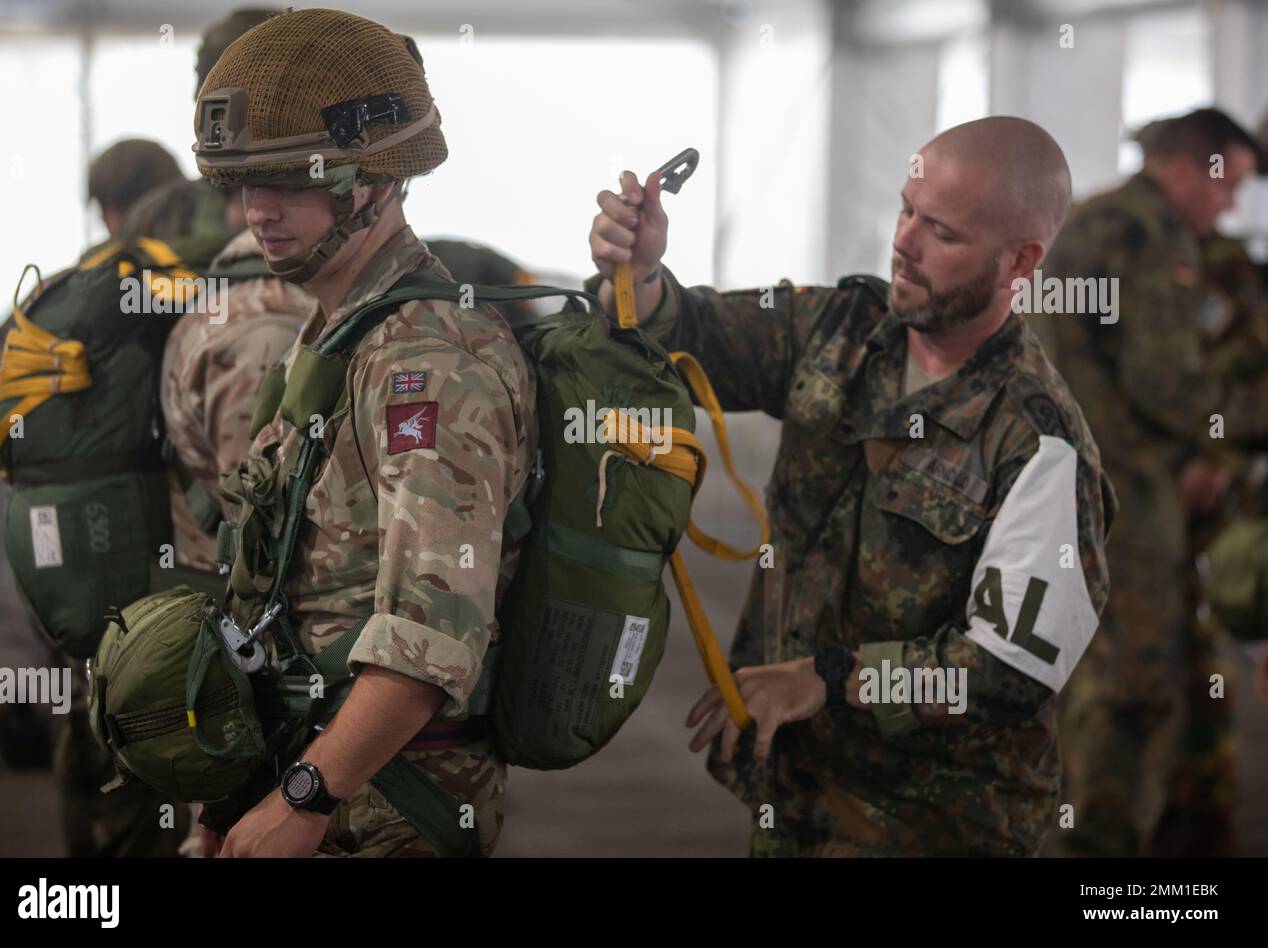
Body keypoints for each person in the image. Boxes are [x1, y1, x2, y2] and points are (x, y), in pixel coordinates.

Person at [587, 116, 1115, 857]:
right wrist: (638, 274)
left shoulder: (1037, 441)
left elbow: (1007, 671)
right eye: (906, 209)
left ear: (1020, 259)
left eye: (943, 233)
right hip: (796, 796)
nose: (904, 242)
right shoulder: (839, 328)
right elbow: (689, 330)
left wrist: (829, 678)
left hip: (936, 827)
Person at [190, 9, 533, 857]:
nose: (256, 211)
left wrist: (304, 799)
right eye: (243, 183)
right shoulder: (341, 330)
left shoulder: (429, 362)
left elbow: (430, 638)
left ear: (374, 181)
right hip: (320, 771)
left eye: (288, 182)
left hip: (386, 806)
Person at [1042, 108, 1268, 857]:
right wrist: (1231, 430)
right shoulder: (1149, 235)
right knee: (1136, 686)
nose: (1230, 204)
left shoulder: (1091, 220)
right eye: (1227, 184)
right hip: (1126, 488)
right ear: (1189, 167)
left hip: (1061, 475)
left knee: (1086, 670)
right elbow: (1164, 379)